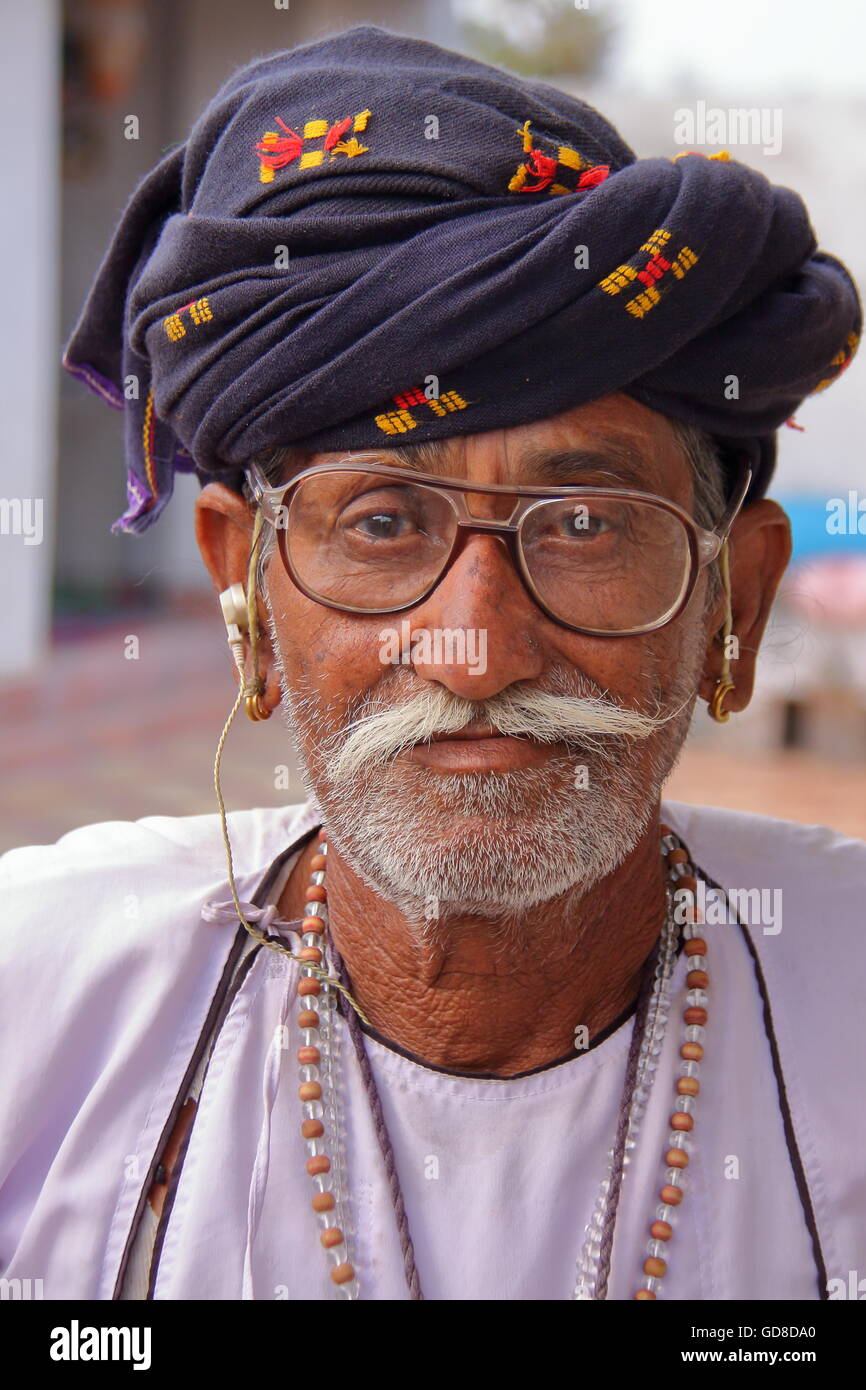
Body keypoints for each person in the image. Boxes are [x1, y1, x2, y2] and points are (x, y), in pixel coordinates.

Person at [1, 24, 863, 1302]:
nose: (475, 647)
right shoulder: (36, 1001)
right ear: (243, 580)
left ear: (731, 595)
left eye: (582, 526)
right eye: (382, 522)